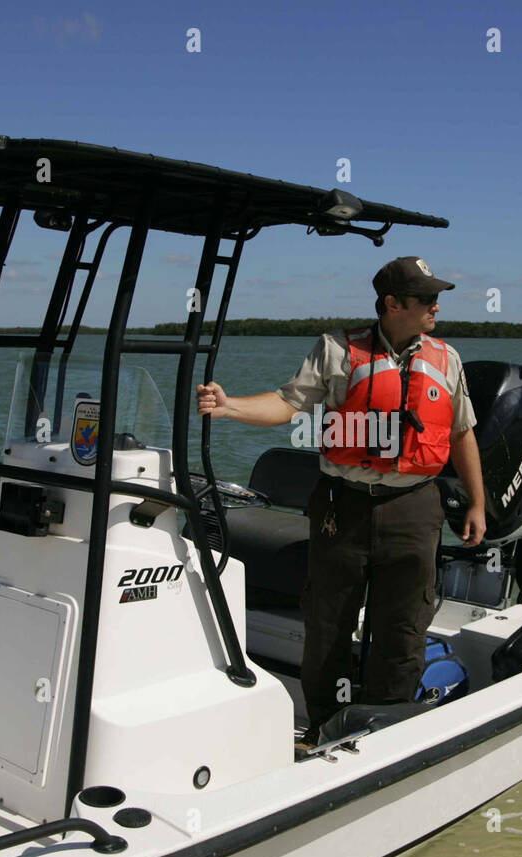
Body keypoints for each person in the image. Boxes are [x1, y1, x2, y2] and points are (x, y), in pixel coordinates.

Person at [196, 256, 486, 748]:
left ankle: (387, 728)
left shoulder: (446, 357)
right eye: (425, 298)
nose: (436, 305)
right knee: (329, 624)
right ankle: (324, 729)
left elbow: (461, 433)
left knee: (403, 626)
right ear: (392, 304)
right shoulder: (337, 349)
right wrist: (231, 408)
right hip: (341, 505)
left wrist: (478, 503)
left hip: (415, 507)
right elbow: (288, 403)